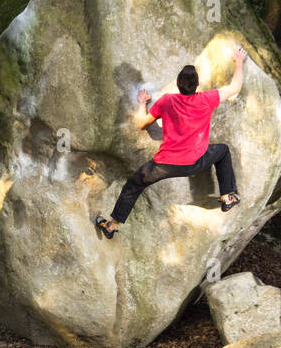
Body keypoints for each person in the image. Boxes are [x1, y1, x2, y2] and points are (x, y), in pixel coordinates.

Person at [96, 45, 246, 238]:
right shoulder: (207, 99)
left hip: (165, 165)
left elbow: (142, 123)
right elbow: (235, 88)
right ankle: (227, 197)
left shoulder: (167, 101)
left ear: (177, 83)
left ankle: (112, 225)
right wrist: (239, 63)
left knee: (134, 184)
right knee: (223, 151)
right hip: (196, 162)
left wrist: (142, 102)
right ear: (197, 85)